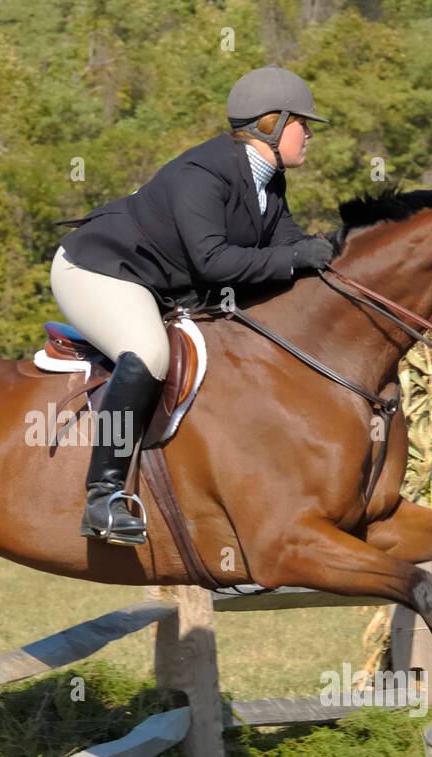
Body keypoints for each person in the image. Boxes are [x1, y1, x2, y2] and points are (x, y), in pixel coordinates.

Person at [52, 65, 334, 545]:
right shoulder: (203, 171)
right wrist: (296, 255)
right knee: (148, 351)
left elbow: (288, 252)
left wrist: (335, 252)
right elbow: (214, 262)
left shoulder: (269, 182)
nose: (308, 133)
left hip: (154, 284)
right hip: (99, 270)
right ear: (270, 122)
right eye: (300, 122)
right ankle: (103, 496)